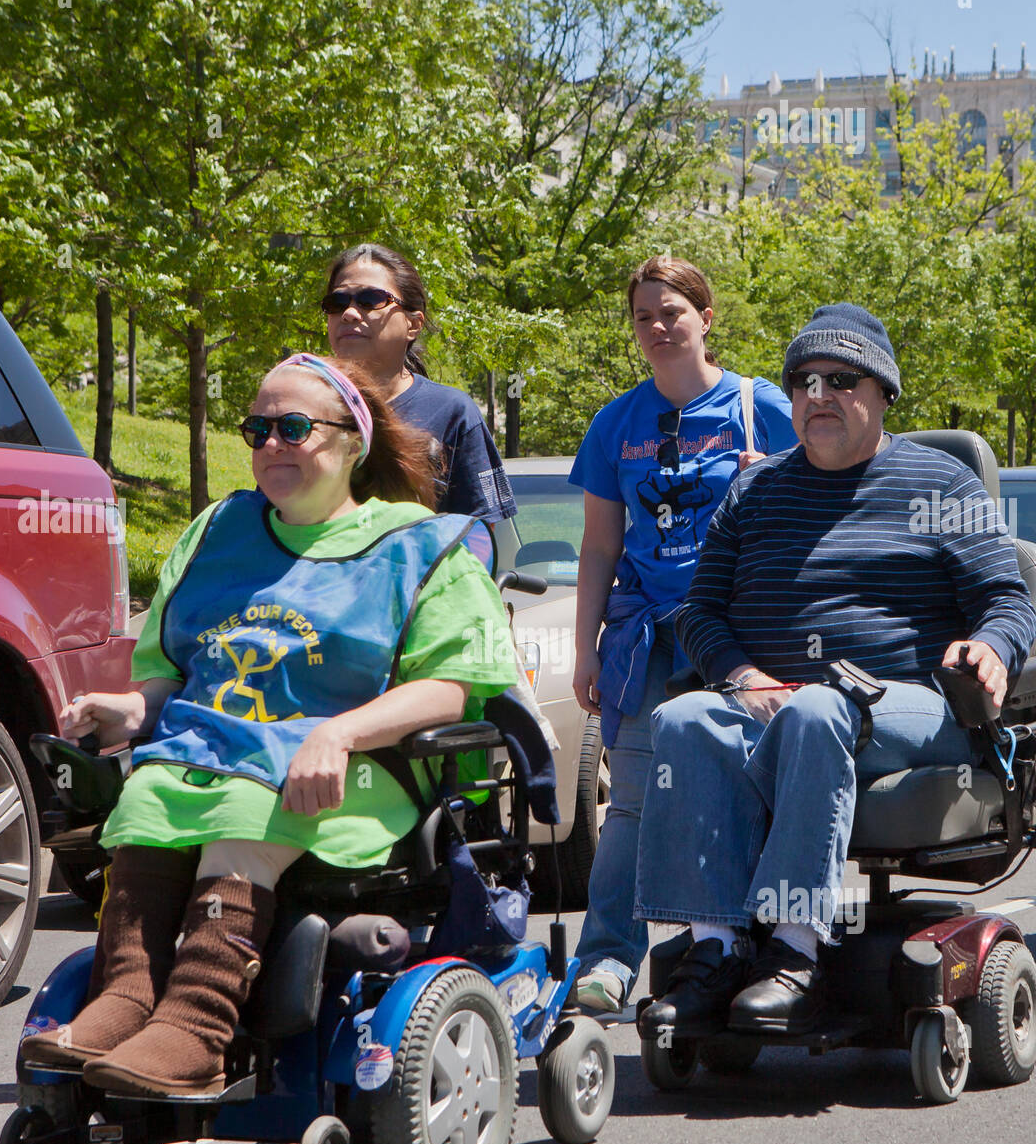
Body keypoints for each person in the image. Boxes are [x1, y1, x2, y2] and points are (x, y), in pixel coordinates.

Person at [21, 354, 517, 1096]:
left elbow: (450, 689)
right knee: (145, 797)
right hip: (211, 754)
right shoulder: (220, 531)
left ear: (352, 440)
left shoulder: (421, 545)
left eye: (293, 427)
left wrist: (340, 731)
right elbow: (171, 671)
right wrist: (131, 708)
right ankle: (124, 999)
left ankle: (196, 1029)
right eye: (258, 429)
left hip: (352, 774)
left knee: (248, 802)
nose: (271, 444)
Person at [635, 303, 1036, 1035]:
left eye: (840, 379)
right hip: (768, 698)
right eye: (803, 381)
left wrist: (994, 648)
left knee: (819, 709)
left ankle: (794, 948)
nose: (817, 394)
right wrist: (744, 677)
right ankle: (717, 948)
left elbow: (1006, 599)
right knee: (684, 716)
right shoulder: (753, 492)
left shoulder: (941, 485)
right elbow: (698, 613)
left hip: (908, 703)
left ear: (883, 395)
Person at [570, 256, 798, 1013]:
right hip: (648, 636)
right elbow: (601, 544)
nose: (658, 327)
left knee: (746, 795)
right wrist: (584, 648)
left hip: (738, 634)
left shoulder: (761, 405)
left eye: (672, 312)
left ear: (705, 317)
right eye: (644, 316)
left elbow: (826, 505)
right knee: (630, 802)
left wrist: (774, 479)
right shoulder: (618, 422)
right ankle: (606, 962)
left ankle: (745, 947)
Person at [322, 242, 516, 523]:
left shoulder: (453, 413)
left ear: (413, 324)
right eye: (337, 303)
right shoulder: (303, 404)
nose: (349, 313)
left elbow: (479, 535)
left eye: (370, 300)